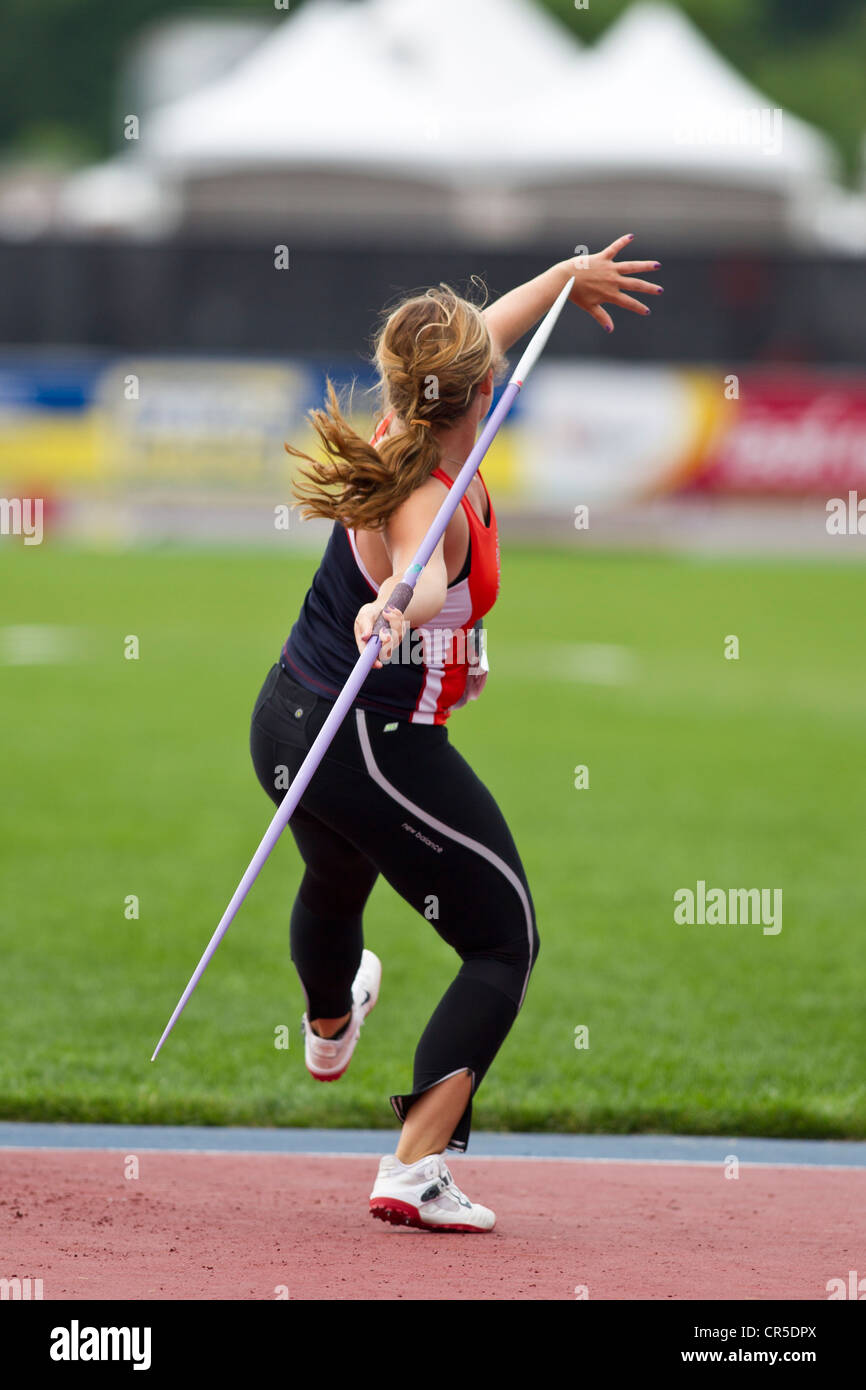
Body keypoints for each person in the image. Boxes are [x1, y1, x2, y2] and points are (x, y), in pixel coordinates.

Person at [250, 238, 661, 1230]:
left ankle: (328, 1021)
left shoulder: (413, 416)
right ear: (480, 393)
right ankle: (414, 1167)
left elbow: (487, 331)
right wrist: (393, 604)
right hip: (366, 740)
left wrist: (564, 277)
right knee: (499, 939)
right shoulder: (425, 495)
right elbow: (419, 570)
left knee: (337, 876)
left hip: (285, 722)